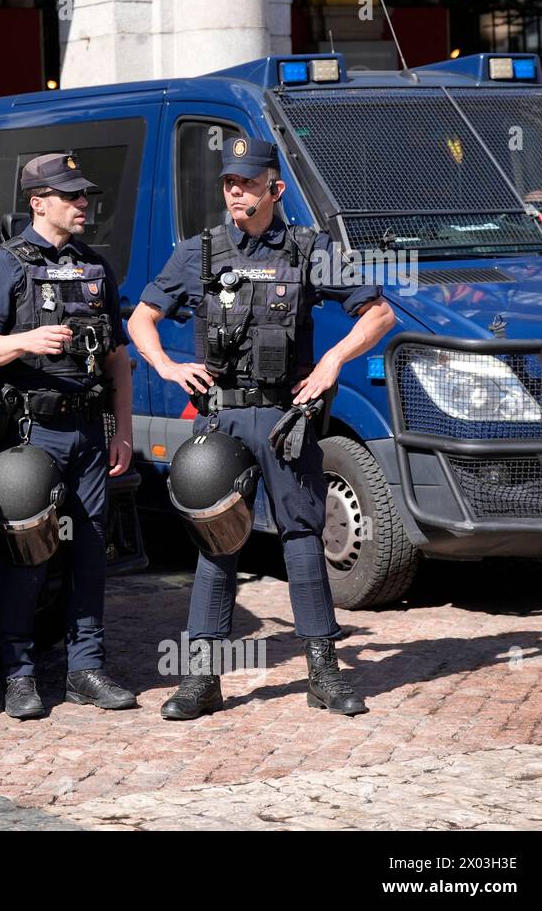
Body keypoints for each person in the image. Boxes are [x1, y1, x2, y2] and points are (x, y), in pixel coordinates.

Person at [128, 137, 395, 719]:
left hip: (283, 418)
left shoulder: (309, 249)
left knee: (301, 537)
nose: (236, 192)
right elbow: (141, 318)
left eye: (247, 183)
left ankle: (323, 673)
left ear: (275, 188)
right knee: (216, 540)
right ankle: (201, 680)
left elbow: (379, 313)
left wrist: (332, 361)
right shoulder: (198, 253)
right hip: (220, 420)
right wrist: (166, 366)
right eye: (229, 182)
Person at [0, 152, 139, 720]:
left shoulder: (96, 267)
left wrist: (123, 431)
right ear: (38, 203)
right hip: (32, 432)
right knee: (28, 553)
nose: (83, 203)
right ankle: (18, 674)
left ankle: (86, 668)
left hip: (89, 429)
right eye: (71, 195)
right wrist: (26, 342)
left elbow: (117, 357)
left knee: (90, 552)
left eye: (84, 195)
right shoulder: (4, 264)